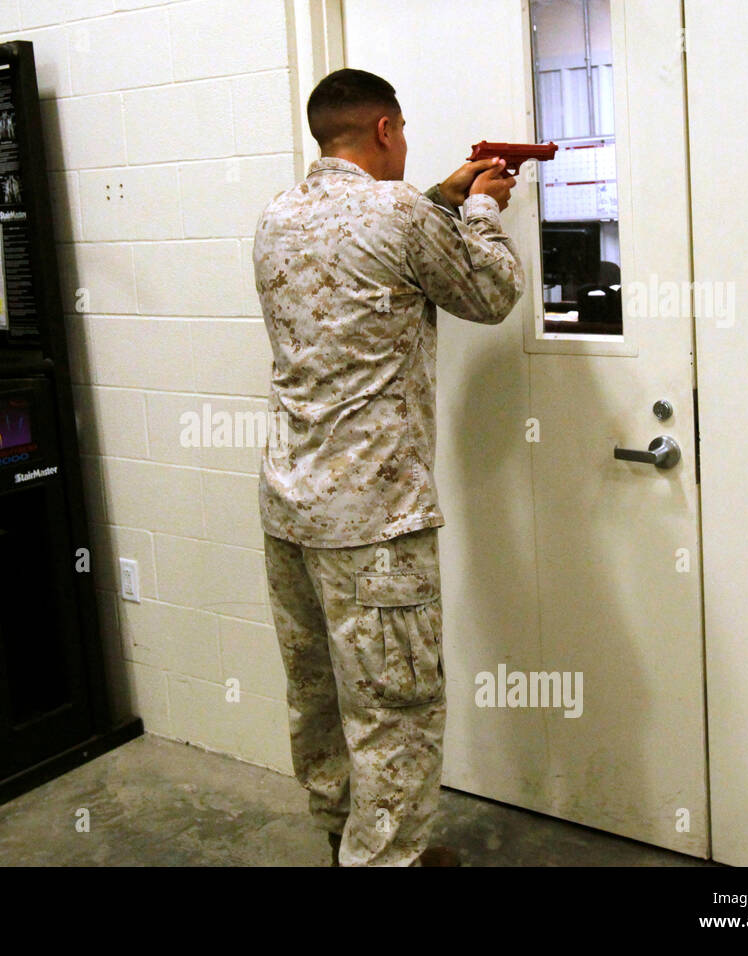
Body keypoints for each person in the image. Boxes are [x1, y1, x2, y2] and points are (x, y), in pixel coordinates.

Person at [253, 68, 524, 867]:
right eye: (401, 133)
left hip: (290, 510)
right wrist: (479, 207)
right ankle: (387, 863)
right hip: (376, 524)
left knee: (320, 700)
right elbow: (492, 292)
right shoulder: (401, 214)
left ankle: (346, 838)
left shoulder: (277, 216)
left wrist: (438, 195)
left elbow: (375, 260)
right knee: (396, 712)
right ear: (383, 131)